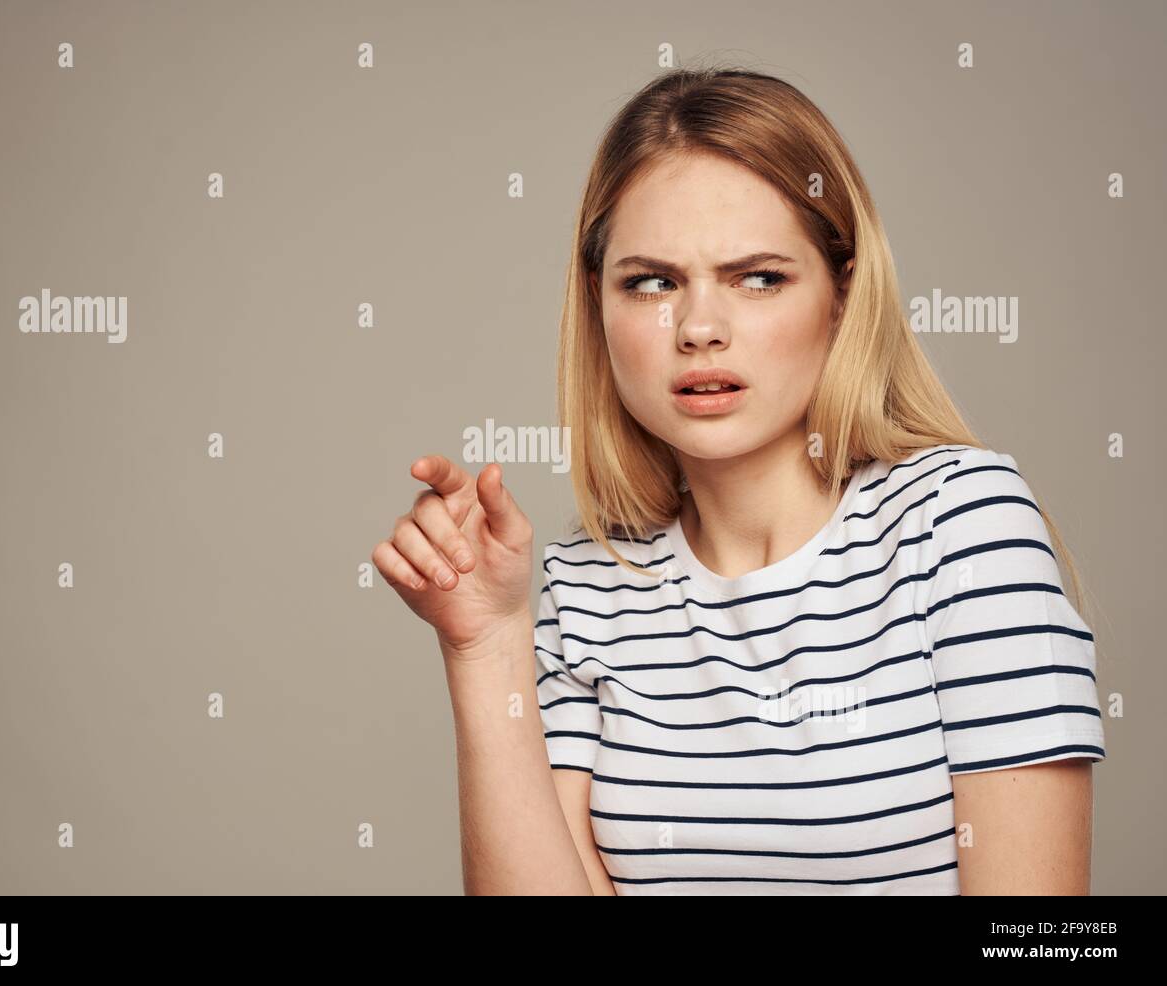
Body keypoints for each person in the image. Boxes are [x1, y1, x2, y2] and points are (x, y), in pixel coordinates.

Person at [370, 67, 1106, 895]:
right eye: (652, 283)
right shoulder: (590, 583)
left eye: (759, 277)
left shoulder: (962, 528)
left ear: (842, 295)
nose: (700, 330)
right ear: (598, 305)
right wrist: (484, 645)